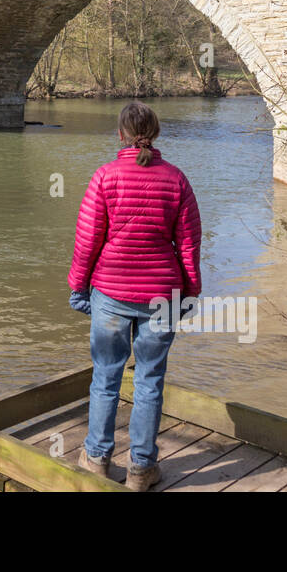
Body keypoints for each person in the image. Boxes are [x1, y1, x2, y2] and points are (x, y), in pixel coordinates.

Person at [66, 101, 202, 491]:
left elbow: (88, 240)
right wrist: (191, 290)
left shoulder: (105, 177)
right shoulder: (176, 179)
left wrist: (78, 284)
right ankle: (141, 469)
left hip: (110, 291)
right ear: (156, 134)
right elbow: (189, 244)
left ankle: (96, 459)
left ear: (120, 135)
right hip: (162, 293)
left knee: (106, 377)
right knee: (150, 380)